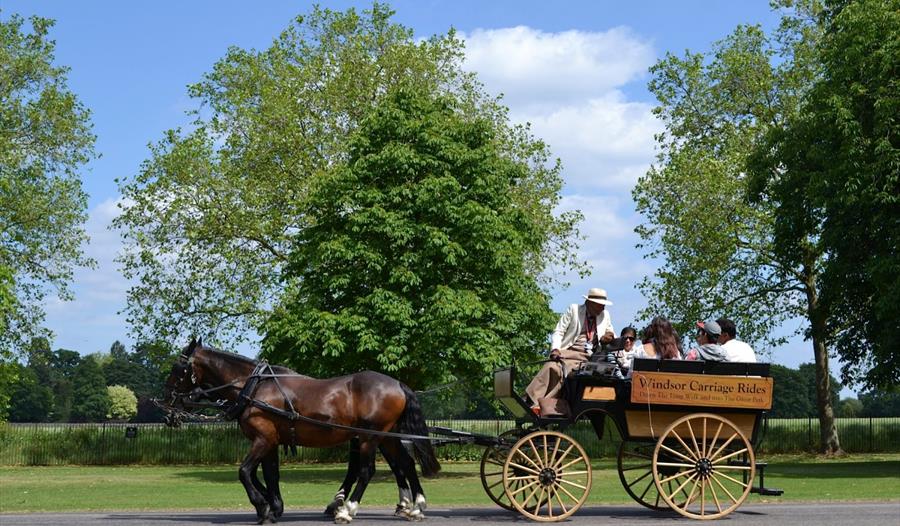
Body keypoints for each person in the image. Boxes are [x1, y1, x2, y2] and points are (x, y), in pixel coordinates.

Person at [525, 288, 615, 415]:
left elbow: (611, 332)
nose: (603, 308)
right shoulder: (574, 310)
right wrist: (555, 349)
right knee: (551, 366)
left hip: (587, 358)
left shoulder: (604, 315)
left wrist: (609, 336)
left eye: (604, 305)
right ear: (590, 303)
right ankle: (531, 399)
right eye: (600, 305)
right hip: (567, 351)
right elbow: (559, 331)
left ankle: (541, 403)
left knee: (558, 370)